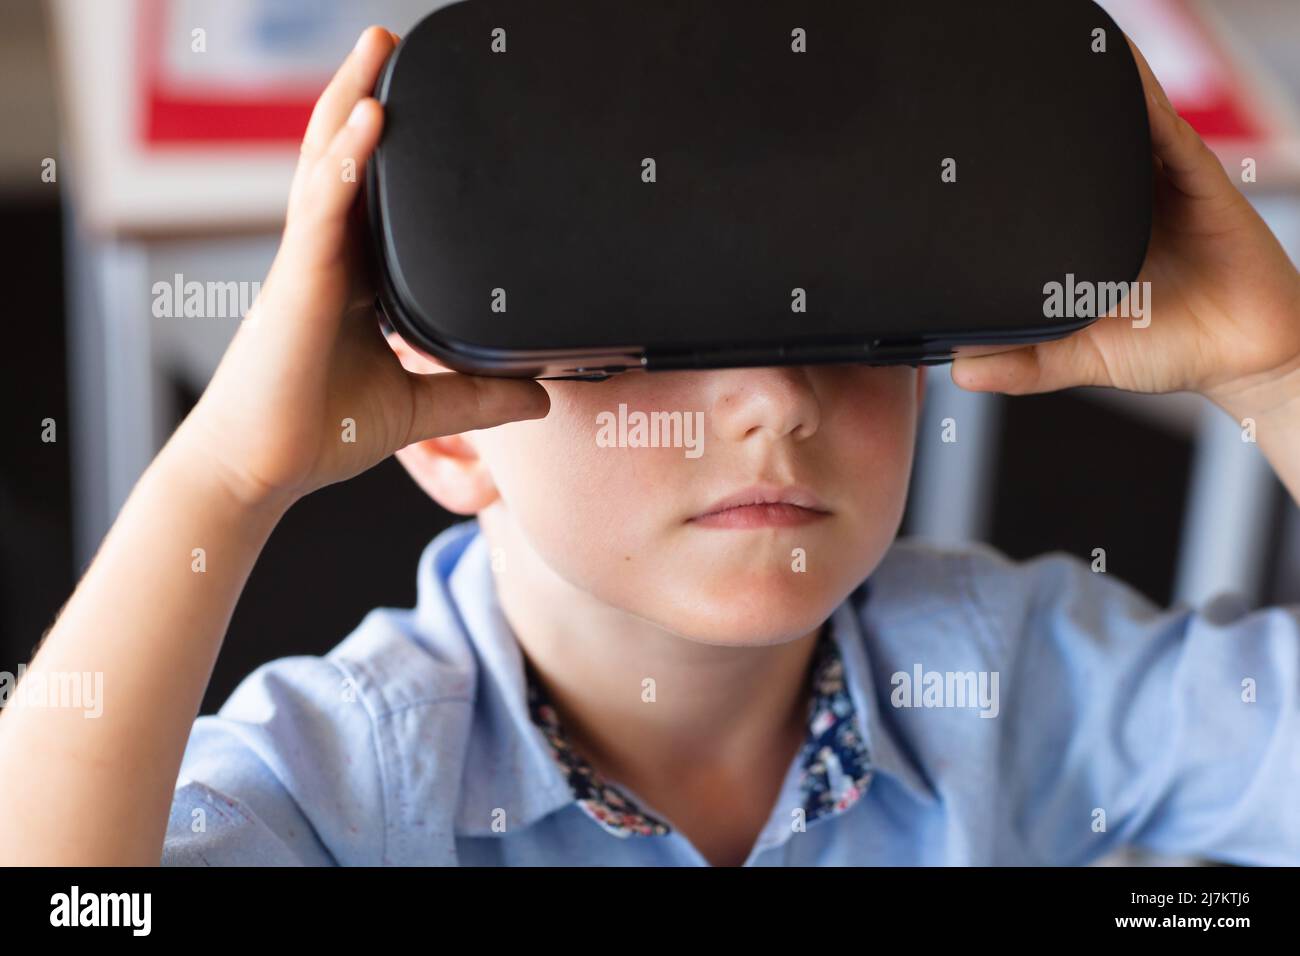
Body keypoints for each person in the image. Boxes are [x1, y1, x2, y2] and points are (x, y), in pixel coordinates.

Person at [2, 26, 1298, 866]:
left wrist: (1277, 370)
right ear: (454, 441)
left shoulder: (1023, 685)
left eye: (850, 330)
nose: (773, 404)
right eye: (646, 352)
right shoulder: (355, 784)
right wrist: (225, 480)